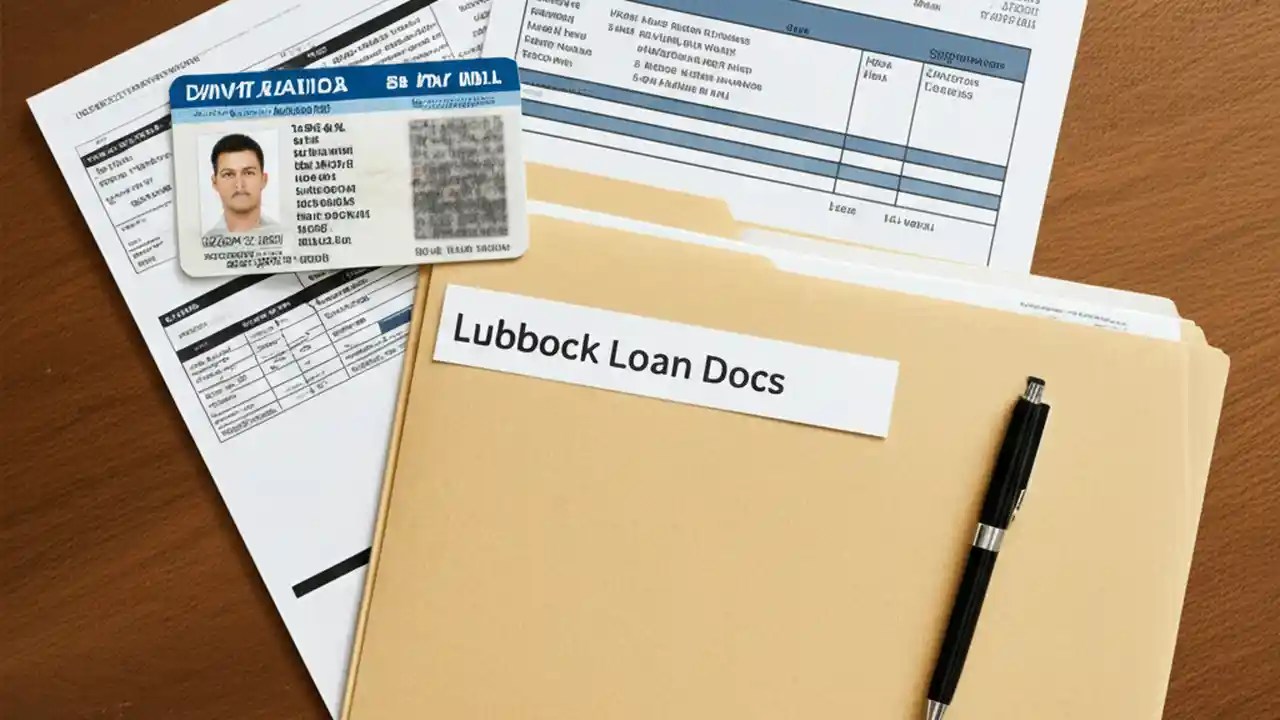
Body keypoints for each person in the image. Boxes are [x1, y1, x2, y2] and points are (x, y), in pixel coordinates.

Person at [203, 133, 282, 239]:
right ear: (214, 182)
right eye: (228, 174)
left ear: (264, 179)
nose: (239, 185)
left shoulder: (287, 240)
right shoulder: (202, 246)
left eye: (248, 173)